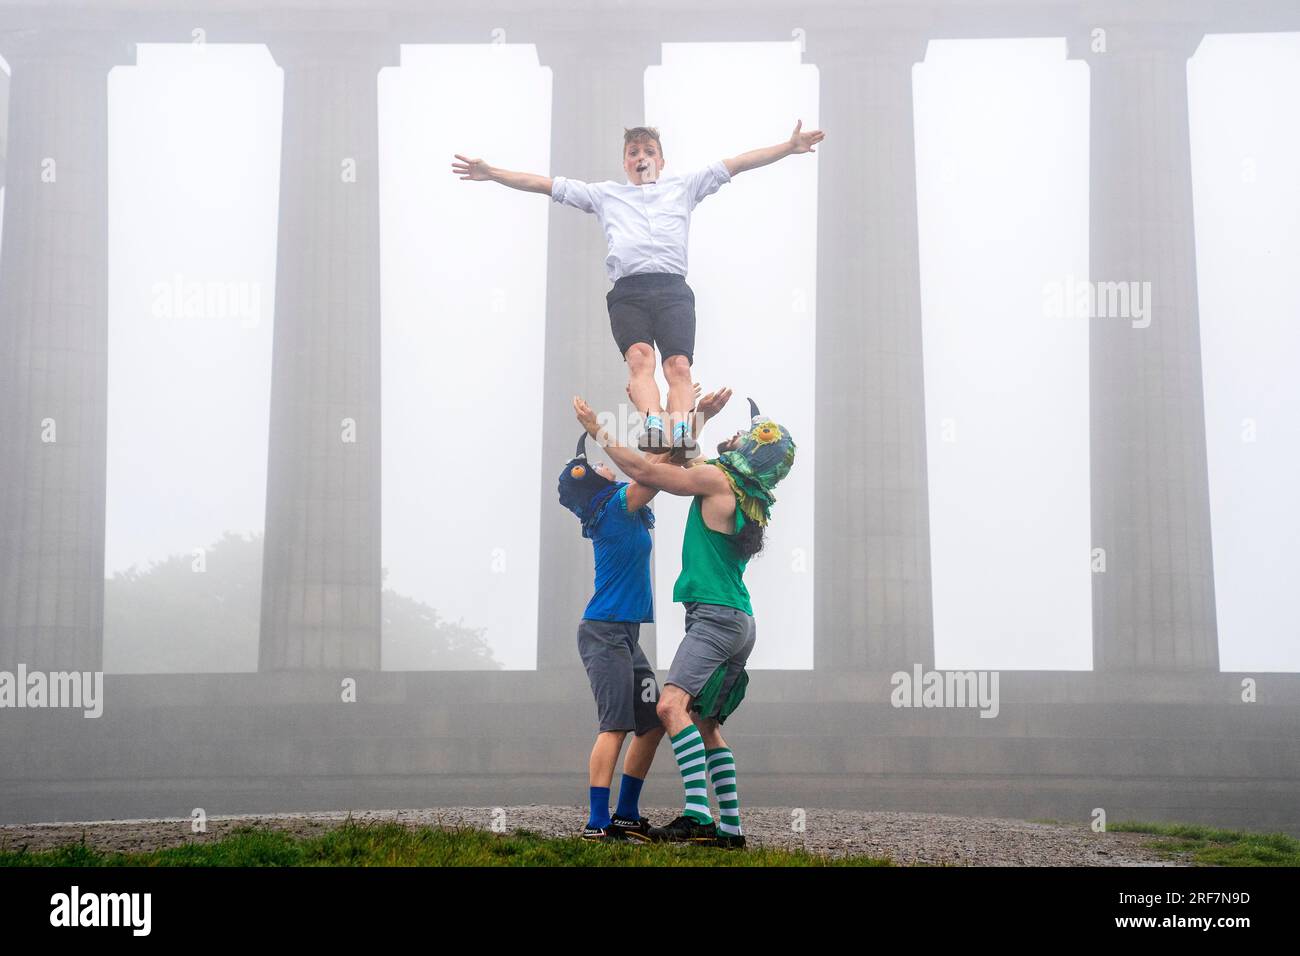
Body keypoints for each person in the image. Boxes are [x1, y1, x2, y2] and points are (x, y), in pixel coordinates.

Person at [454, 121, 823, 457]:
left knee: (678, 365)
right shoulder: (605, 195)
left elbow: (738, 163)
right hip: (629, 291)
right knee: (640, 359)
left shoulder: (684, 187)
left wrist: (787, 147)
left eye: (648, 152)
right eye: (634, 153)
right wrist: (491, 173)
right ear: (626, 163)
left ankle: (681, 430)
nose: (641, 158)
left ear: (661, 162)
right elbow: (544, 185)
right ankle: (653, 426)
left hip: (672, 288)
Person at [573, 394, 796, 849]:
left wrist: (600, 431)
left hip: (713, 616)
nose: (735, 435)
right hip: (740, 620)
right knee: (706, 721)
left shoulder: (717, 479)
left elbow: (651, 471)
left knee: (669, 708)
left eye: (745, 434)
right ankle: (730, 831)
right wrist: (699, 418)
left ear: (751, 450)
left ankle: (697, 815)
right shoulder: (751, 494)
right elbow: (677, 459)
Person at [559, 387, 732, 841]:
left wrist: (699, 418)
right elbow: (656, 472)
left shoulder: (625, 509)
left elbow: (664, 468)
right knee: (614, 725)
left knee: (652, 722)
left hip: (624, 633)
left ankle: (627, 814)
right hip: (604, 631)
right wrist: (698, 420)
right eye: (597, 466)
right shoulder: (614, 508)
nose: (605, 466)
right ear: (590, 484)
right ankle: (598, 823)